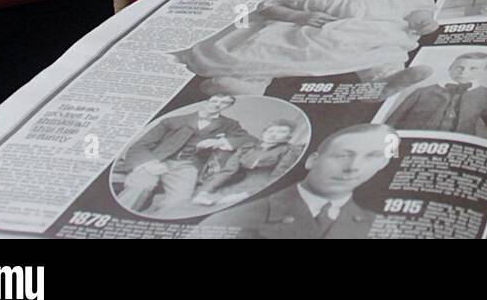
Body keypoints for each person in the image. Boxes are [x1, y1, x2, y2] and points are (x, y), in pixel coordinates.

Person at [176, 0, 438, 94]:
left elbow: (417, 11)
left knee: (386, 50)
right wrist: (300, 16)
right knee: (264, 45)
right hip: (307, 33)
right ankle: (247, 83)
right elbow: (271, 8)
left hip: (368, 36)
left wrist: (423, 21)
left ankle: (383, 80)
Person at [200, 123, 396, 238]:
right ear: (312, 160)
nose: (354, 166)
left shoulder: (383, 229)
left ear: (382, 165)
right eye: (342, 155)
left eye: (372, 157)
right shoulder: (231, 221)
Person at [116, 96, 254, 214]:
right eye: (215, 100)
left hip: (187, 166)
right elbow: (140, 146)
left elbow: (249, 139)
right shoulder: (172, 120)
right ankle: (119, 217)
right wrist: (150, 163)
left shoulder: (229, 124)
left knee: (178, 201)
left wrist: (220, 141)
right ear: (206, 101)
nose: (218, 104)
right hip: (156, 160)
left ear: (229, 106)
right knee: (141, 186)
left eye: (224, 102)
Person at [385, 52, 487, 139]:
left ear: (483, 71)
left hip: (458, 143)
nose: (464, 72)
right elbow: (394, 119)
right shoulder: (422, 92)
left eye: (473, 69)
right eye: (459, 67)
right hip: (416, 139)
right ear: (450, 68)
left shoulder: (486, 94)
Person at [192, 120, 304, 205]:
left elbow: (278, 177)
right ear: (264, 133)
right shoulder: (248, 147)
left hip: (262, 189)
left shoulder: (291, 151)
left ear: (289, 137)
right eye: (270, 130)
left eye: (281, 132)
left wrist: (248, 195)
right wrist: (207, 190)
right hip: (234, 186)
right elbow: (228, 171)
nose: (273, 134)